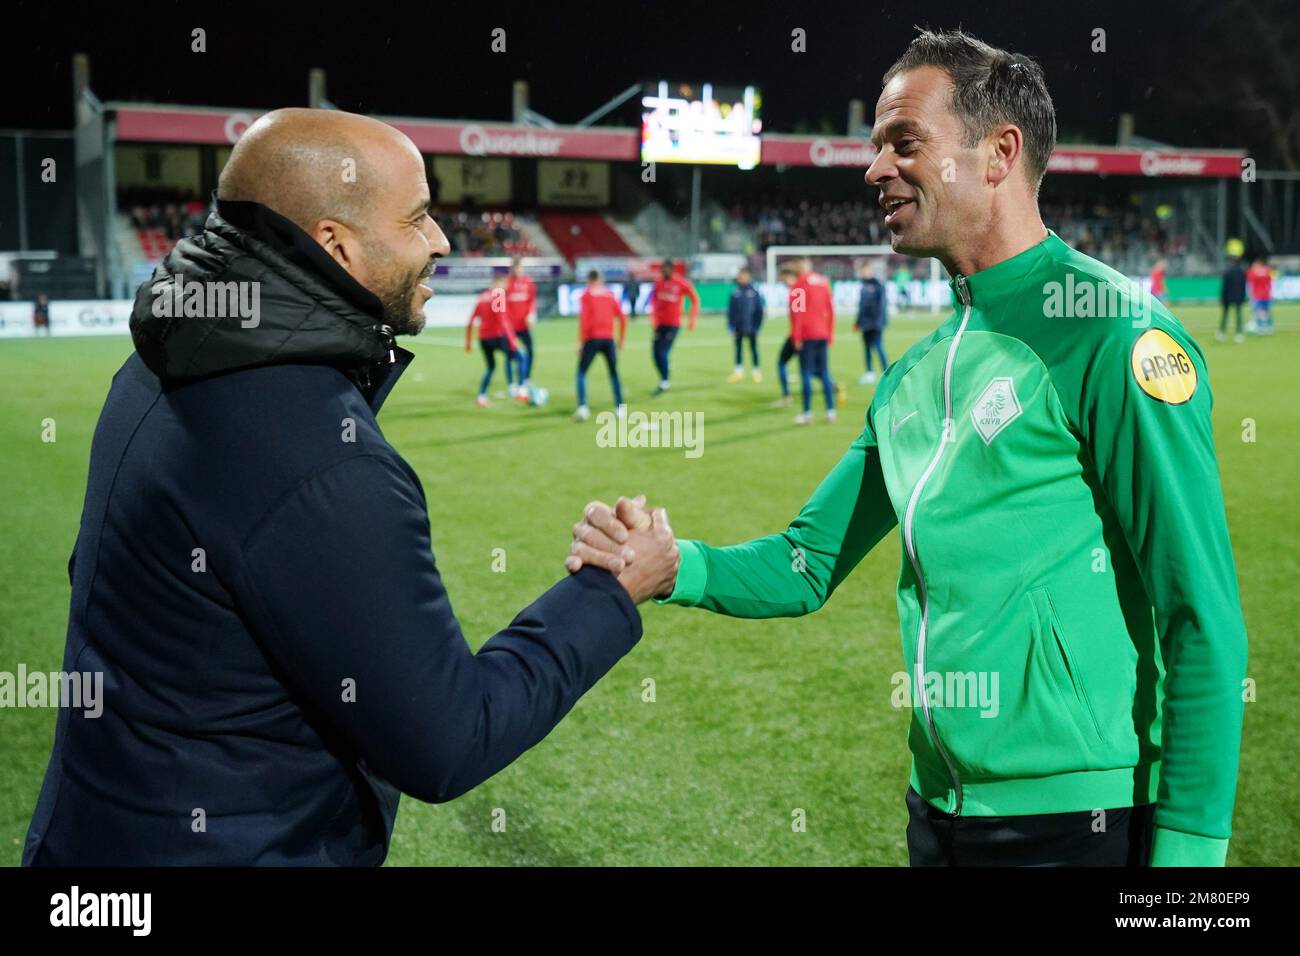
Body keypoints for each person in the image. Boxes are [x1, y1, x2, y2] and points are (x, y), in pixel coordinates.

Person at [572, 29, 1247, 868]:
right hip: (936, 813)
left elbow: (1202, 616)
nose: (874, 169)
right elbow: (803, 564)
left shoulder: (1115, 335)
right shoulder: (911, 380)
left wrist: (1188, 866)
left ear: (998, 154)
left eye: (904, 142)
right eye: (874, 146)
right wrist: (673, 564)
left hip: (1084, 822)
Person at [23, 108, 679, 867]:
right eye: (418, 219)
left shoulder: (159, 362)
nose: (441, 241)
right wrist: (610, 590)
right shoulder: (320, 457)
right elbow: (446, 739)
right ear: (335, 245)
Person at [574, 269, 627, 421]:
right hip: (608, 339)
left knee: (581, 372)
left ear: (589, 280)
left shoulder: (586, 295)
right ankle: (620, 408)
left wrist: (580, 341)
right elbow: (623, 318)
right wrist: (621, 340)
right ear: (600, 279)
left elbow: (585, 320)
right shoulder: (610, 294)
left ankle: (583, 407)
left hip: (592, 338)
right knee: (614, 373)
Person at [790, 256, 837, 425]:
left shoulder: (798, 286)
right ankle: (830, 411)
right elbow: (831, 310)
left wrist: (796, 337)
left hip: (807, 335)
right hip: (822, 334)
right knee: (824, 373)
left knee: (806, 374)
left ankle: (807, 413)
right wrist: (830, 333)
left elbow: (797, 315)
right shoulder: (824, 283)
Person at [465, 273, 517, 408]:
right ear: (497, 283)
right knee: (519, 357)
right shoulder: (497, 296)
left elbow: (470, 321)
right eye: (503, 283)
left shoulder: (482, 297)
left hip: (484, 339)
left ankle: (481, 395)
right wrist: (512, 341)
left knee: (491, 367)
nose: (505, 286)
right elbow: (503, 321)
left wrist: (468, 342)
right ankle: (517, 388)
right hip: (497, 337)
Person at [648, 259, 699, 395]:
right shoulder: (658, 283)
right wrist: (652, 316)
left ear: (671, 269)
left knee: (663, 352)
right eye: (661, 269)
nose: (662, 272)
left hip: (673, 325)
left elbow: (695, 299)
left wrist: (692, 319)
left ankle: (664, 382)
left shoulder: (681, 283)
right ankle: (665, 371)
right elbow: (653, 300)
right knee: (655, 353)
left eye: (665, 269)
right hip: (659, 325)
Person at [505, 256, 537, 395]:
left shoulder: (529, 282)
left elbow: (532, 302)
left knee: (530, 351)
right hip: (510, 326)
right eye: (515, 268)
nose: (518, 270)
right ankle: (512, 383)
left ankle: (526, 379)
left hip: (524, 325)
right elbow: (499, 306)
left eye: (519, 267)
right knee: (510, 355)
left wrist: (531, 315)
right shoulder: (506, 284)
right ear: (512, 269)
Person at [726, 266, 763, 383]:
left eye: (743, 276)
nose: (741, 278)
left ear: (748, 276)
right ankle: (738, 372)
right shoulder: (735, 292)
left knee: (753, 349)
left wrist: (757, 326)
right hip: (738, 327)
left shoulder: (754, 292)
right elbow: (730, 311)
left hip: (751, 326)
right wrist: (731, 326)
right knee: (738, 349)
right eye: (740, 276)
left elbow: (759, 311)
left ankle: (756, 371)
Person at [771, 265, 800, 408]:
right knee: (814, 369)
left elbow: (798, 317)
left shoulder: (797, 292)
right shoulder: (801, 290)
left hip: (798, 337)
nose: (782, 282)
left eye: (783, 279)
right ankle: (834, 387)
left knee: (781, 363)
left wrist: (796, 337)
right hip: (807, 336)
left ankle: (787, 396)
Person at [855, 262, 889, 384]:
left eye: (865, 270)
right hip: (865, 323)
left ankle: (887, 371)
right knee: (867, 348)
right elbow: (861, 306)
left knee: (879, 346)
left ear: (870, 271)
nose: (864, 273)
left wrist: (878, 322)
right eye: (862, 271)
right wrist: (858, 321)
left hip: (875, 323)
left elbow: (882, 305)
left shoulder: (878, 285)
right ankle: (869, 373)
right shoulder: (863, 285)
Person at [1218, 257, 1247, 342]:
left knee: (1225, 316)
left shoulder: (1227, 272)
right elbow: (1243, 286)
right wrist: (1243, 296)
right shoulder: (1241, 272)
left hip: (1228, 297)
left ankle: (1222, 333)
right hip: (1238, 296)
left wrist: (1222, 297)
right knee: (1238, 316)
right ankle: (1238, 333)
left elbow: (1224, 286)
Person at [1246, 256, 1274, 336]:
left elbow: (1250, 284)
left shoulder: (1252, 271)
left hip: (1257, 295)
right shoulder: (1267, 270)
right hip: (1266, 295)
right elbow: (1270, 283)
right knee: (1267, 311)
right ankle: (1269, 327)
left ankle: (1260, 328)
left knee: (1257, 312)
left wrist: (1250, 296)